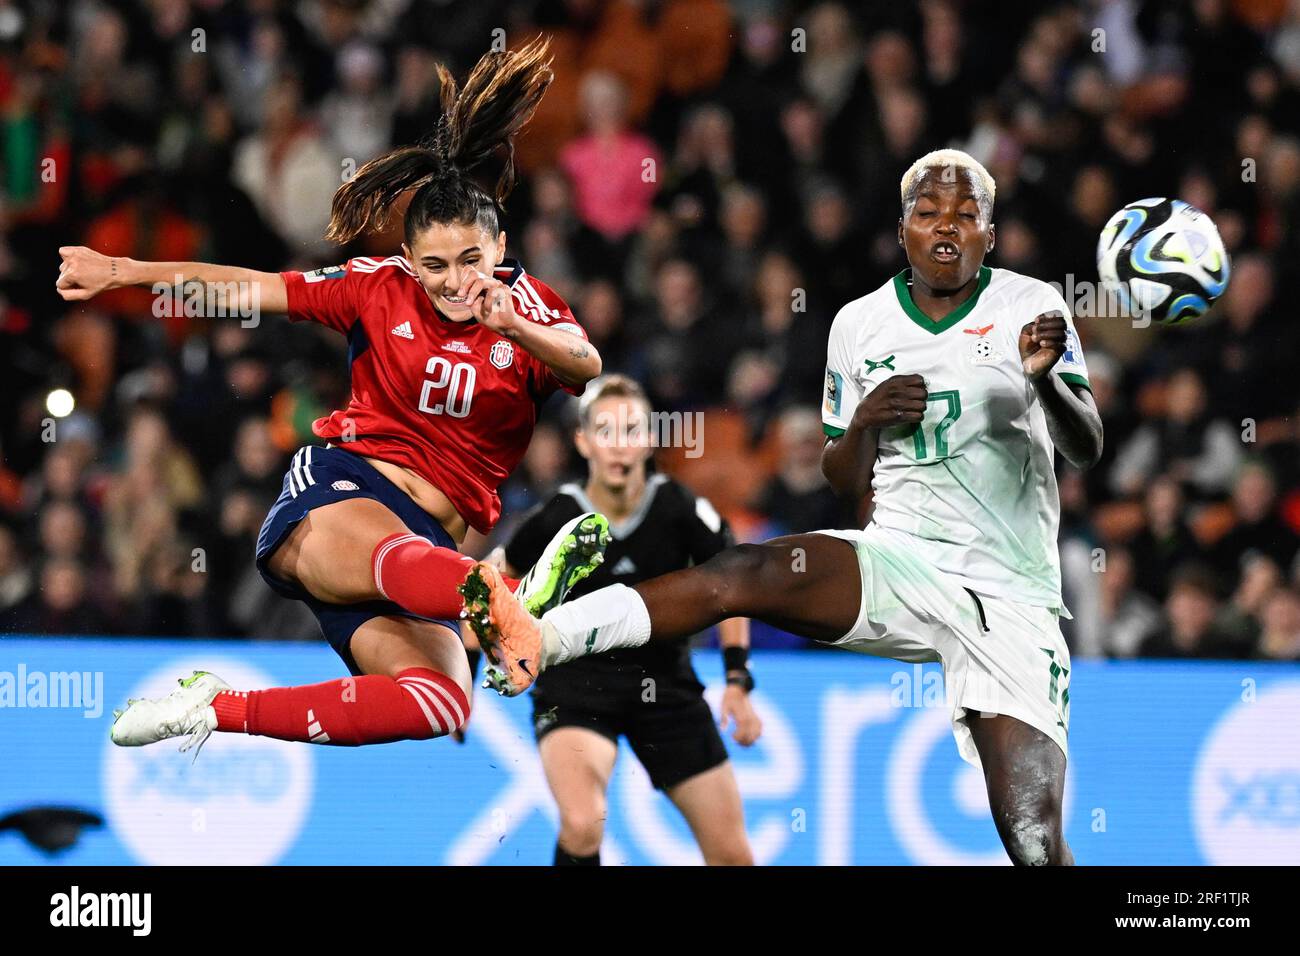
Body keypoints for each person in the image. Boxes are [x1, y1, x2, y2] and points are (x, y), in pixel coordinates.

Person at [461, 149, 1104, 866]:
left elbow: (1085, 445)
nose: (946, 228)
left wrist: (1048, 385)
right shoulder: (860, 326)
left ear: (990, 232)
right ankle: (541, 639)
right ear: (902, 229)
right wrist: (862, 423)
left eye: (966, 216)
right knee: (745, 571)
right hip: (903, 557)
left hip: (1010, 593)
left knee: (1033, 842)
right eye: (928, 214)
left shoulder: (1032, 306)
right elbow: (840, 477)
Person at [57, 39, 612, 754]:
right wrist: (125, 271)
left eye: (471, 260)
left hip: (429, 553)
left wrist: (514, 325)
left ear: (499, 247)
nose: (453, 281)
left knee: (441, 705)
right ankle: (503, 602)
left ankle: (212, 711)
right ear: (410, 259)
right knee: (451, 580)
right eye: (435, 265)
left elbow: (585, 365)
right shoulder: (376, 285)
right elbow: (249, 288)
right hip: (341, 497)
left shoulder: (530, 305)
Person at [489, 375, 760, 866]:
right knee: (582, 822)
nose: (619, 444)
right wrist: (466, 665)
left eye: (631, 430)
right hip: (575, 690)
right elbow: (490, 583)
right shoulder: (558, 516)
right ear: (583, 440)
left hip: (667, 689)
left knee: (733, 856)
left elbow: (734, 586)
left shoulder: (681, 509)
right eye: (605, 430)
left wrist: (737, 680)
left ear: (650, 440)